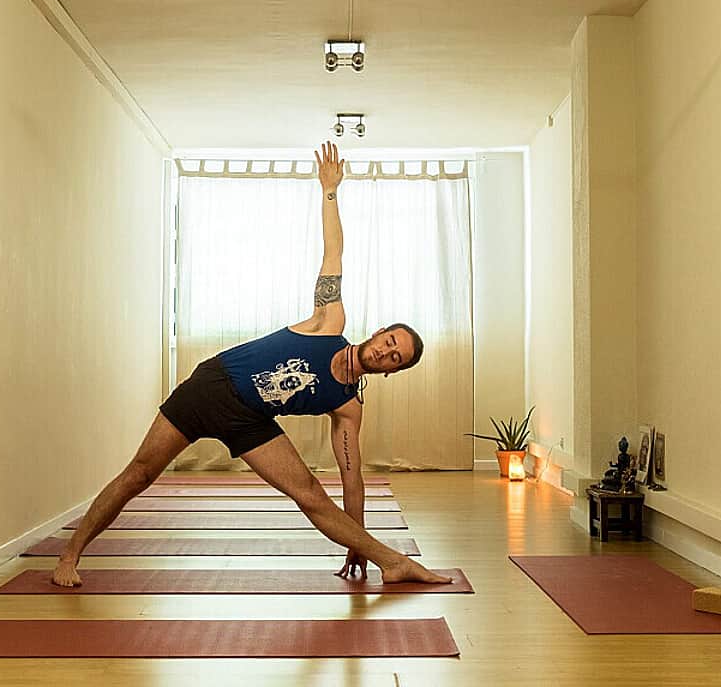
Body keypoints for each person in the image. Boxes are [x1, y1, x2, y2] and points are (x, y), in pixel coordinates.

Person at [53, 141, 452, 587]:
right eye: (389, 342)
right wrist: (329, 190)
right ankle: (70, 555)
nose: (385, 352)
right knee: (140, 474)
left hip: (251, 421)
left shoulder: (347, 406)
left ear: (391, 371)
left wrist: (357, 541)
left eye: (395, 358)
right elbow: (333, 254)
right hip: (212, 388)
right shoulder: (328, 323)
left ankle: (392, 562)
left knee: (310, 493)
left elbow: (352, 477)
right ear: (378, 332)